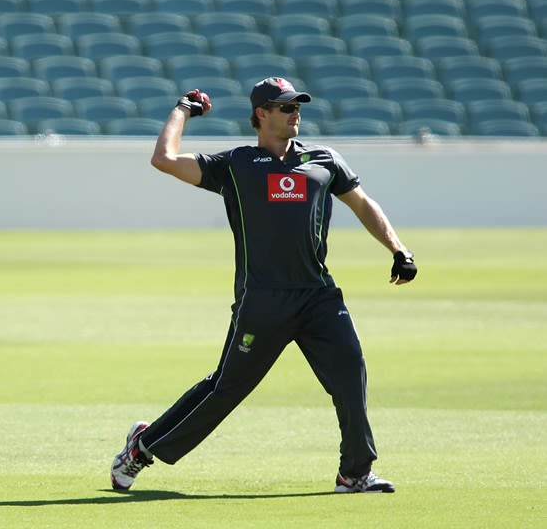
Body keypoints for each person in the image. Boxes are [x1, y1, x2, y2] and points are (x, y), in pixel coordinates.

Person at [110, 77, 418, 494]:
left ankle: (355, 472)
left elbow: (363, 203)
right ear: (261, 114)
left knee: (350, 373)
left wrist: (398, 249)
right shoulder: (236, 165)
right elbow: (164, 159)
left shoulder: (324, 159)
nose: (296, 114)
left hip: (318, 296)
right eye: (285, 107)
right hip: (263, 300)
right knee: (226, 389)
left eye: (297, 106)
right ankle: (140, 449)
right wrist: (183, 109)